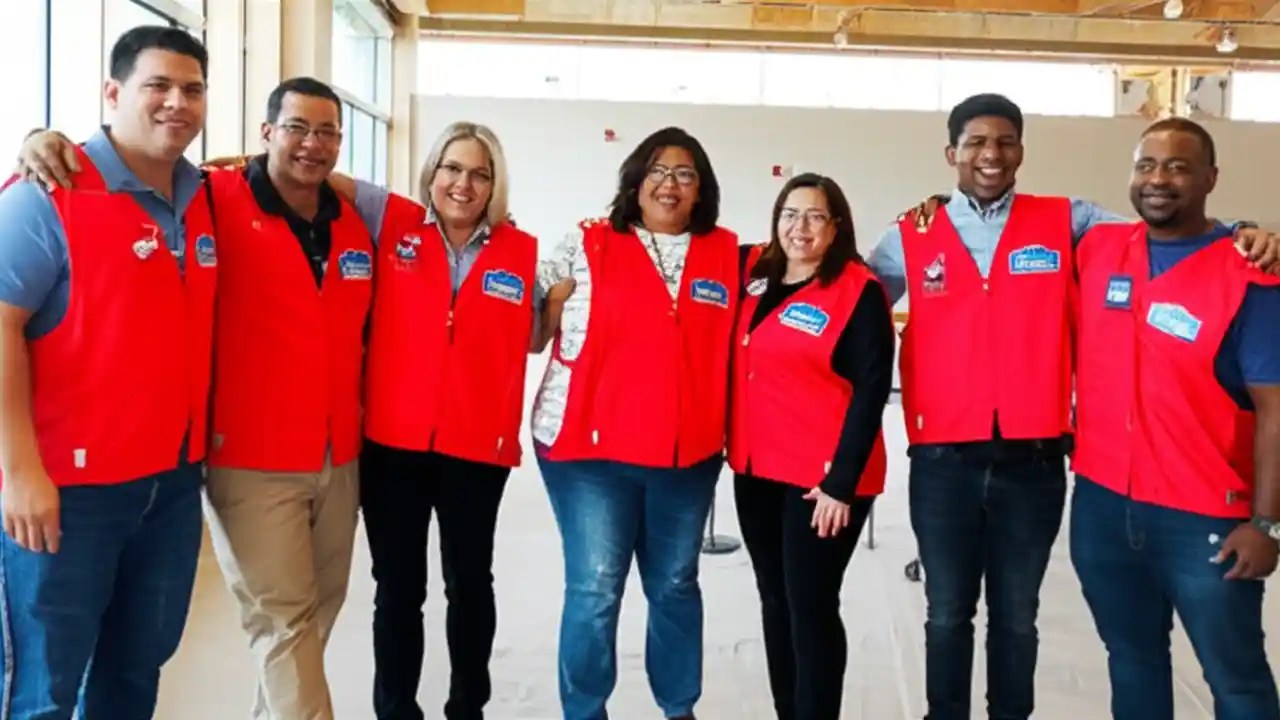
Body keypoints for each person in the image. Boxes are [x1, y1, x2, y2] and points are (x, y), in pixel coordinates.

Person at [868, 92, 1280, 720]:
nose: (991, 154)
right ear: (951, 154)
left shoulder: (1071, 223)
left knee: (1018, 615)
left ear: (1022, 153)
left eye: (1005, 141)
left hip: (1035, 465)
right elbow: (851, 299)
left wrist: (1246, 232)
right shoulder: (910, 233)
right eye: (976, 142)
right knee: (948, 610)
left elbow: (1167, 228)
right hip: (943, 461)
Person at [15, 75, 374, 719]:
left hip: (335, 454)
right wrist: (41, 141)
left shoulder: (353, 219)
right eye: (296, 128)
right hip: (251, 456)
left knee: (310, 617)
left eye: (327, 132)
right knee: (283, 620)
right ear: (265, 134)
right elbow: (138, 159)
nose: (312, 145)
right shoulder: (213, 197)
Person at [0, 26, 214, 718]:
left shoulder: (209, 199)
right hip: (67, 493)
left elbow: (302, 166)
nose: (176, 102)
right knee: (44, 688)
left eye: (192, 89)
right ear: (114, 93)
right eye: (158, 85)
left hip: (171, 486)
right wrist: (20, 470)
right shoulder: (47, 194)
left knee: (135, 672)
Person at [331, 121, 552, 720]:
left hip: (478, 447)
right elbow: (307, 168)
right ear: (432, 170)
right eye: (452, 168)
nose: (463, 183)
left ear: (494, 184)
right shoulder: (391, 219)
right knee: (399, 590)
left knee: (470, 585)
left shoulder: (520, 248)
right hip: (394, 442)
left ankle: (466, 706)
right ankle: (397, 709)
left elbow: (532, 339)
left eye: (480, 173)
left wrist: (553, 309)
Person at [1070, 117, 1280, 720]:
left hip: (1205, 520)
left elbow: (1274, 412)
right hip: (1104, 508)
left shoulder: (1250, 275)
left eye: (1178, 167)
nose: (1159, 180)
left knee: (1235, 679)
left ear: (1211, 178)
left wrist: (1267, 525)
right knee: (1131, 658)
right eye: (1146, 166)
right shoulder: (1100, 249)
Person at [533, 126, 738, 720]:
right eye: (656, 171)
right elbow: (525, 324)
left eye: (684, 174)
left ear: (702, 190)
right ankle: (585, 710)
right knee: (596, 588)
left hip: (686, 454)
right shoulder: (586, 242)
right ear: (633, 181)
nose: (668, 185)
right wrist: (546, 304)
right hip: (588, 452)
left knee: (674, 586)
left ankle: (678, 708)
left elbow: (813, 263)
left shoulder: (729, 253)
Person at [727, 173, 895, 720]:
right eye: (790, 214)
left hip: (821, 485)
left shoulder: (857, 290)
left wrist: (840, 484)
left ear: (836, 226)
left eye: (815, 216)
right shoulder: (753, 272)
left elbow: (871, 393)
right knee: (775, 602)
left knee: (811, 606)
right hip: (756, 471)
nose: (800, 228)